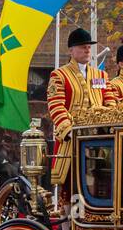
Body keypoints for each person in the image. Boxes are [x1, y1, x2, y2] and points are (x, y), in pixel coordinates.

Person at [46, 28, 115, 187]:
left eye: (89, 46)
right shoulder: (59, 75)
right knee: (72, 186)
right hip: (71, 140)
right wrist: (69, 131)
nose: (87, 49)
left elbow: (110, 103)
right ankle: (69, 212)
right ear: (71, 50)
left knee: (102, 181)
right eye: (82, 46)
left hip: (100, 139)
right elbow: (56, 106)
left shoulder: (101, 76)